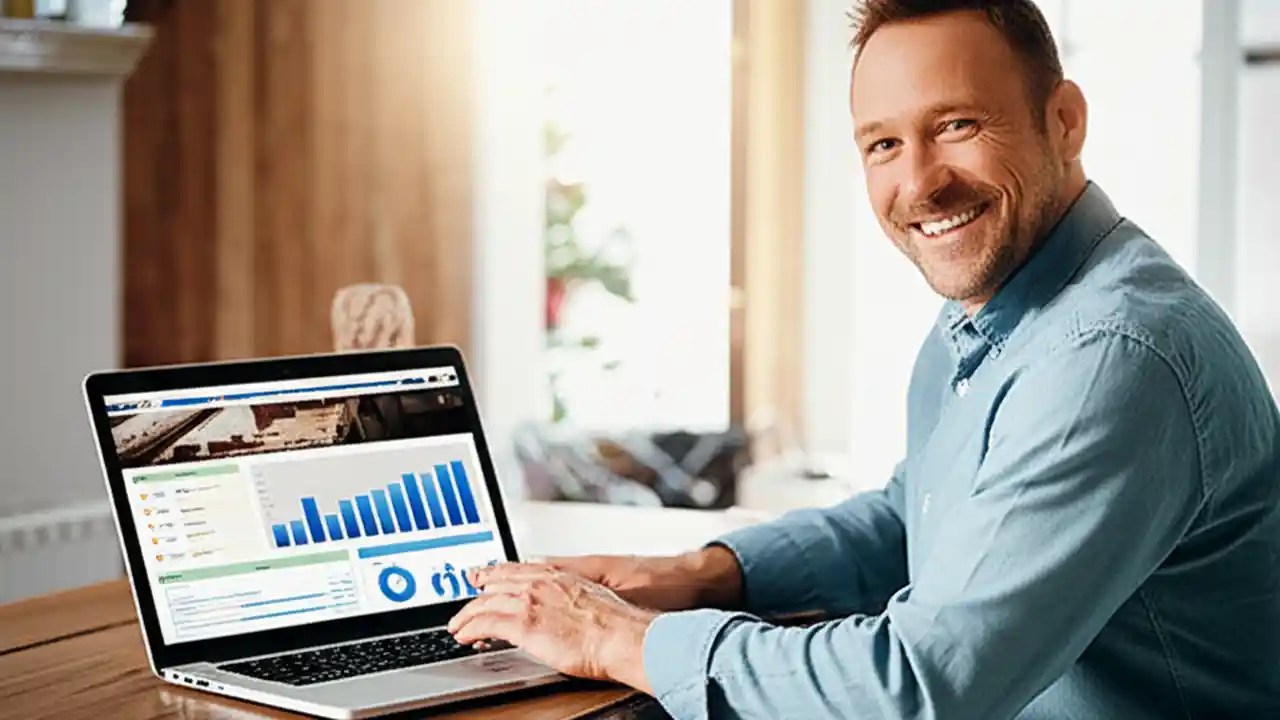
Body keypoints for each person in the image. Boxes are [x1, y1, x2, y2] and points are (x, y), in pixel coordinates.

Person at [447, 1, 1280, 717]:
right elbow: (915, 517)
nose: (918, 184)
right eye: (882, 144)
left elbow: (917, 687)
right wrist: (696, 575)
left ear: (1064, 120)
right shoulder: (1003, 311)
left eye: (956, 126)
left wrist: (615, 637)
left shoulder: (1109, 356)